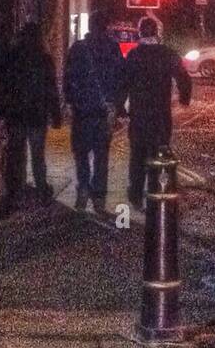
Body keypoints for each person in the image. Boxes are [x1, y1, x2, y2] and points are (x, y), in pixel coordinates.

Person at [120, 15, 192, 208]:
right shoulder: (167, 54)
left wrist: (120, 107)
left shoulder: (134, 55)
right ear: (157, 33)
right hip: (160, 115)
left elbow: (123, 83)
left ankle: (135, 193)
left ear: (140, 32)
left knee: (137, 155)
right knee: (158, 153)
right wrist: (185, 97)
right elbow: (184, 78)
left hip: (139, 114)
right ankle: (154, 191)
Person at [63, 12, 125, 213]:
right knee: (101, 156)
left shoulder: (78, 48)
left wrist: (71, 101)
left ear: (90, 25)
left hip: (82, 110)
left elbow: (68, 78)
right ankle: (99, 197)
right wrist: (116, 104)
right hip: (103, 111)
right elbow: (120, 78)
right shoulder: (113, 48)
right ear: (106, 26)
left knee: (81, 153)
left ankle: (83, 189)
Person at [1, 20, 62, 206]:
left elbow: (5, 86)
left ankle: (14, 191)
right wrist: (55, 114)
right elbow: (51, 89)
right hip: (36, 115)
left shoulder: (12, 57)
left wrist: (2, 110)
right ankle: (42, 189)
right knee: (37, 155)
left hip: (17, 114)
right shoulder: (44, 59)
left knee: (15, 153)